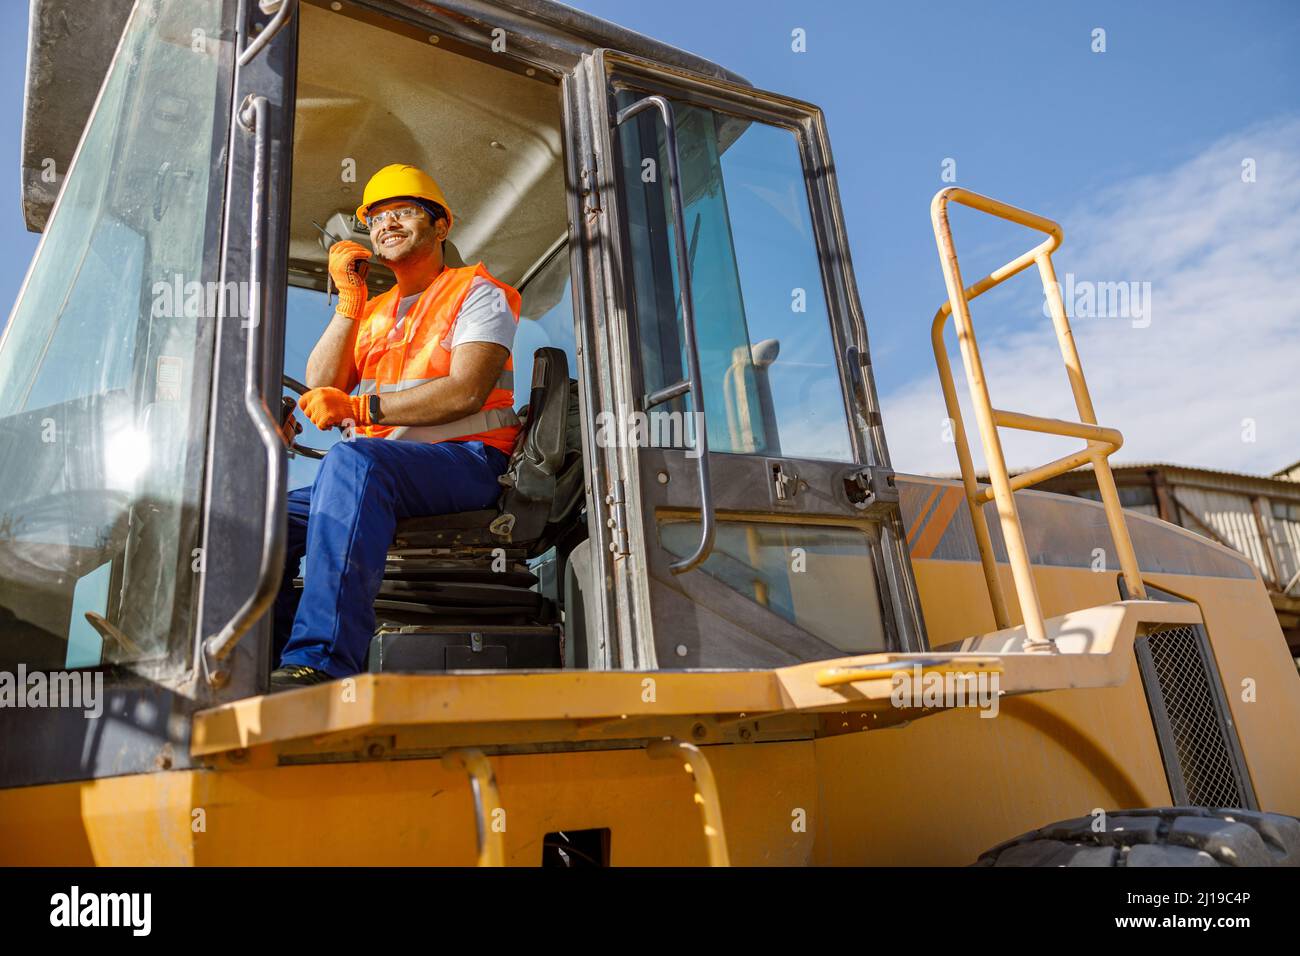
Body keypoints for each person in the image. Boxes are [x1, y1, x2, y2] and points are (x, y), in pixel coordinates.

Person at [270, 164, 521, 690]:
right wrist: (348, 302)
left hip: (470, 461)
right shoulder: (375, 311)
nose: (386, 224)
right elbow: (322, 381)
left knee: (351, 461)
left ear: (440, 227)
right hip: (380, 470)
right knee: (262, 520)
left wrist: (360, 412)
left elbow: (466, 391)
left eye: (402, 212)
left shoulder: (478, 292)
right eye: (377, 217)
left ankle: (321, 665)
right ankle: (264, 658)